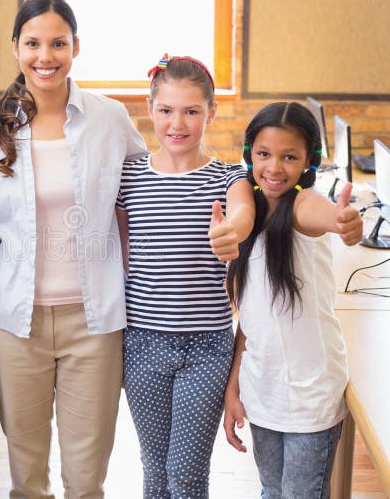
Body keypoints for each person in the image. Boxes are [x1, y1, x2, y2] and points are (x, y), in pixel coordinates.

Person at [0, 0, 147, 498]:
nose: (45, 56)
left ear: (76, 47)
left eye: (58, 43)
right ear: (16, 48)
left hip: (94, 322)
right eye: (33, 43)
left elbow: (148, 192)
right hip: (13, 321)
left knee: (87, 480)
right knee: (26, 478)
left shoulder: (109, 118)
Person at [115, 53, 256, 498]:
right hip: (141, 344)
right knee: (154, 470)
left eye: (192, 111)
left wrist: (231, 232)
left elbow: (243, 213)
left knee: (188, 474)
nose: (178, 123)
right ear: (149, 109)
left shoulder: (229, 177)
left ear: (211, 113)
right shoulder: (130, 176)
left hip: (207, 348)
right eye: (167, 110)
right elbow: (116, 252)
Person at [223, 101, 363, 499]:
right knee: (271, 491)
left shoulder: (303, 206)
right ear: (249, 153)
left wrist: (344, 223)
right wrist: (234, 388)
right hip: (262, 392)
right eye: (263, 154)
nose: (273, 168)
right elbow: (249, 322)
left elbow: (325, 215)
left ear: (308, 161)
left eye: (289, 157)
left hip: (310, 400)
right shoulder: (247, 212)